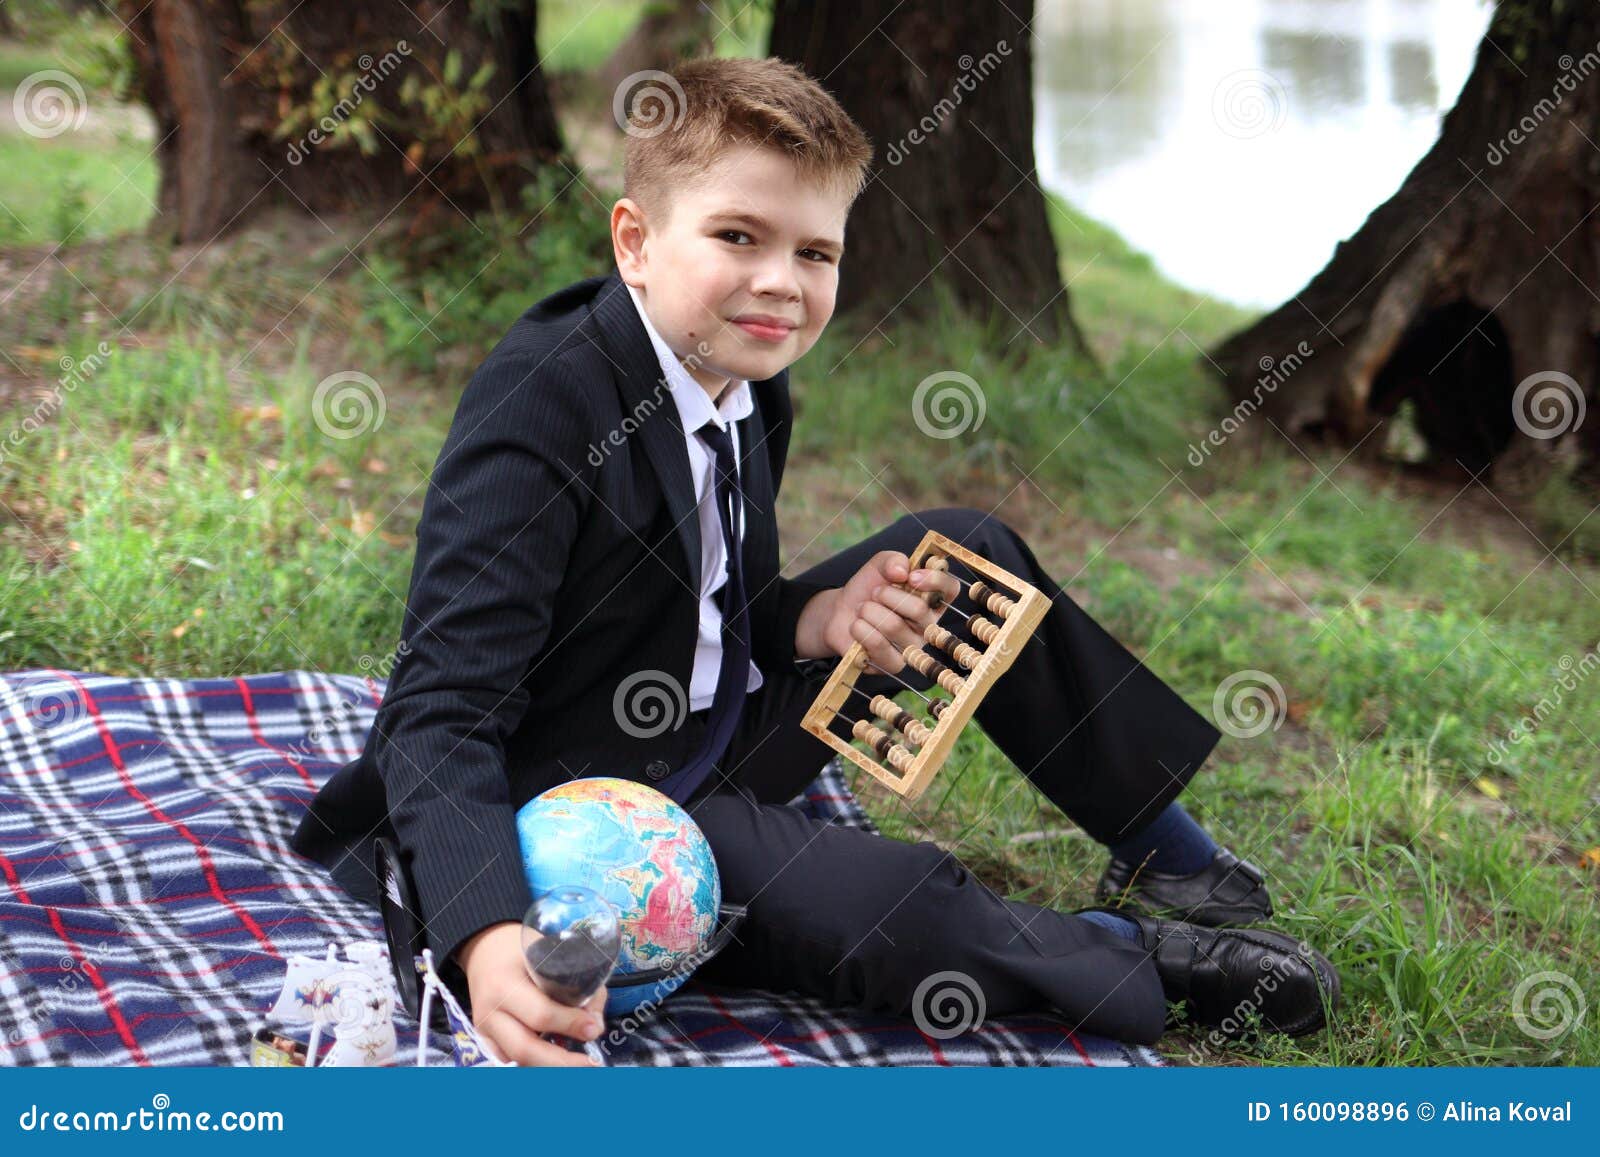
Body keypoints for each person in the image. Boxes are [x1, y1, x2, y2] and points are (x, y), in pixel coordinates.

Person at [291, 56, 1339, 1066]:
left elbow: (719, 605)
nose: (779, 284)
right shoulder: (543, 407)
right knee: (880, 902)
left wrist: (823, 619)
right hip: (590, 800)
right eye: (737, 235)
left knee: (967, 556)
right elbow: (440, 711)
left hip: (709, 724)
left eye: (814, 252)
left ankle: (1166, 849)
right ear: (635, 242)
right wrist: (483, 936)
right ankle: (1126, 956)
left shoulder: (749, 372)